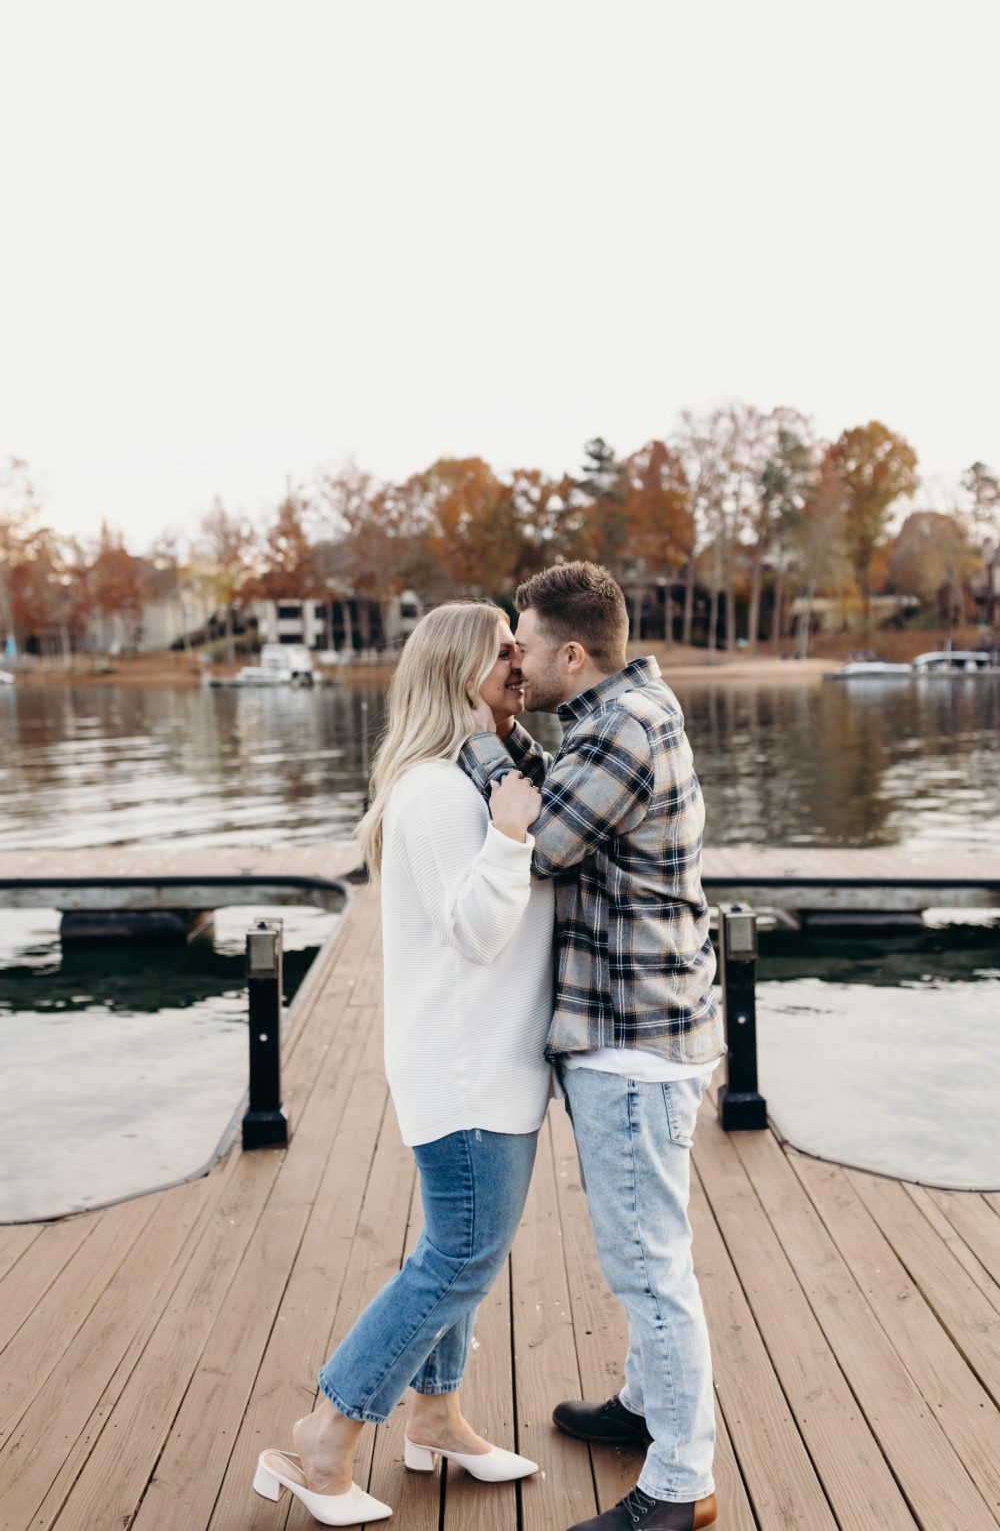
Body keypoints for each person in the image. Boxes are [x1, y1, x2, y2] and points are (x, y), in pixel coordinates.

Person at [254, 602, 554, 1527]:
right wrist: (510, 835)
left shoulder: (479, 776)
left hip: (492, 1065)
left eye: (520, 645)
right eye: (501, 650)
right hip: (465, 1071)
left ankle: (436, 1416)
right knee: (458, 1259)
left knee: (465, 1254)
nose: (519, 660)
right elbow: (474, 931)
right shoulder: (436, 792)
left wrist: (509, 806)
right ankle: (324, 1434)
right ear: (454, 672)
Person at [460, 562, 723, 1531]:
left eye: (524, 646)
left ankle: (678, 1483)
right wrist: (516, 743)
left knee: (649, 1266)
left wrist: (480, 747)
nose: (516, 664)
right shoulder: (623, 710)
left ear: (572, 652)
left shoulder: (620, 727)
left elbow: (540, 840)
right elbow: (562, 797)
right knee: (648, 1252)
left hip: (634, 1043)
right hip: (644, 1031)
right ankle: (647, 1407)